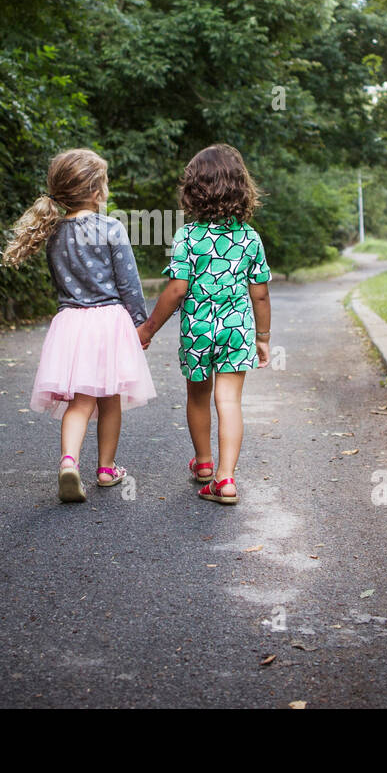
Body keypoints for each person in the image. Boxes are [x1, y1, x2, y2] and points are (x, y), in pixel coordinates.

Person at [2, 148, 155, 503]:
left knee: (81, 402)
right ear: (95, 190)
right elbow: (129, 283)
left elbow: (60, 281)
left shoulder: (52, 231)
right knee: (110, 399)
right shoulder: (110, 227)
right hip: (109, 322)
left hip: (71, 323)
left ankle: (68, 462)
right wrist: (139, 325)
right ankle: (106, 468)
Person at [138, 144, 271, 505]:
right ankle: (226, 480)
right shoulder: (249, 238)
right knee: (229, 400)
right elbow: (259, 295)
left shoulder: (187, 237)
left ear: (194, 190)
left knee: (198, 396)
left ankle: (204, 464)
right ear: (242, 188)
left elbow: (177, 289)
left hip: (198, 330)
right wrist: (263, 337)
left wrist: (148, 329)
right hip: (237, 330)